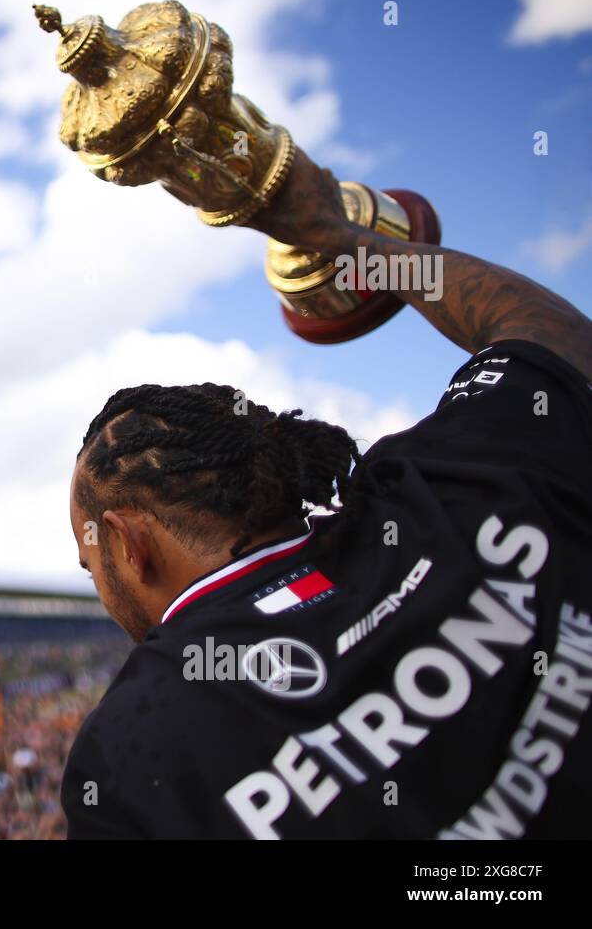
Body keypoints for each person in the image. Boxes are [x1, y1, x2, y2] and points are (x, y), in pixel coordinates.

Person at [62, 147, 592, 839]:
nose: (100, 588)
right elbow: (552, 340)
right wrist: (346, 241)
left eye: (90, 560)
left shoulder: (130, 756)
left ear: (129, 543)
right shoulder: (438, 492)